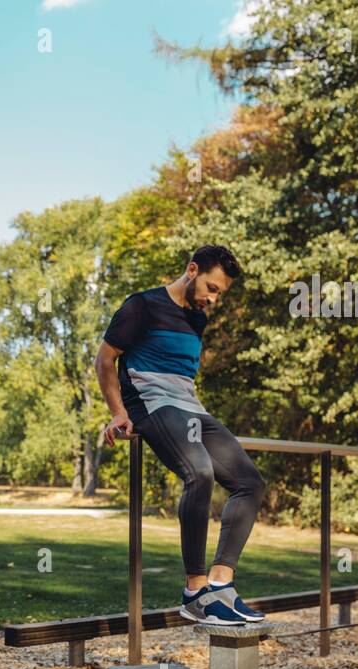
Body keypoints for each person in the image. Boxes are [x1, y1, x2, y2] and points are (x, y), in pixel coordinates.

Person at [95, 245, 267, 627]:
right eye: (212, 288)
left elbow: (181, 373)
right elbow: (104, 359)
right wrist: (118, 413)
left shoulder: (197, 318)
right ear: (192, 270)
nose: (214, 298)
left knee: (250, 483)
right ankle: (195, 592)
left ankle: (221, 585)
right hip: (151, 404)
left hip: (190, 407)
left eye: (220, 293)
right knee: (200, 472)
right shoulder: (142, 306)